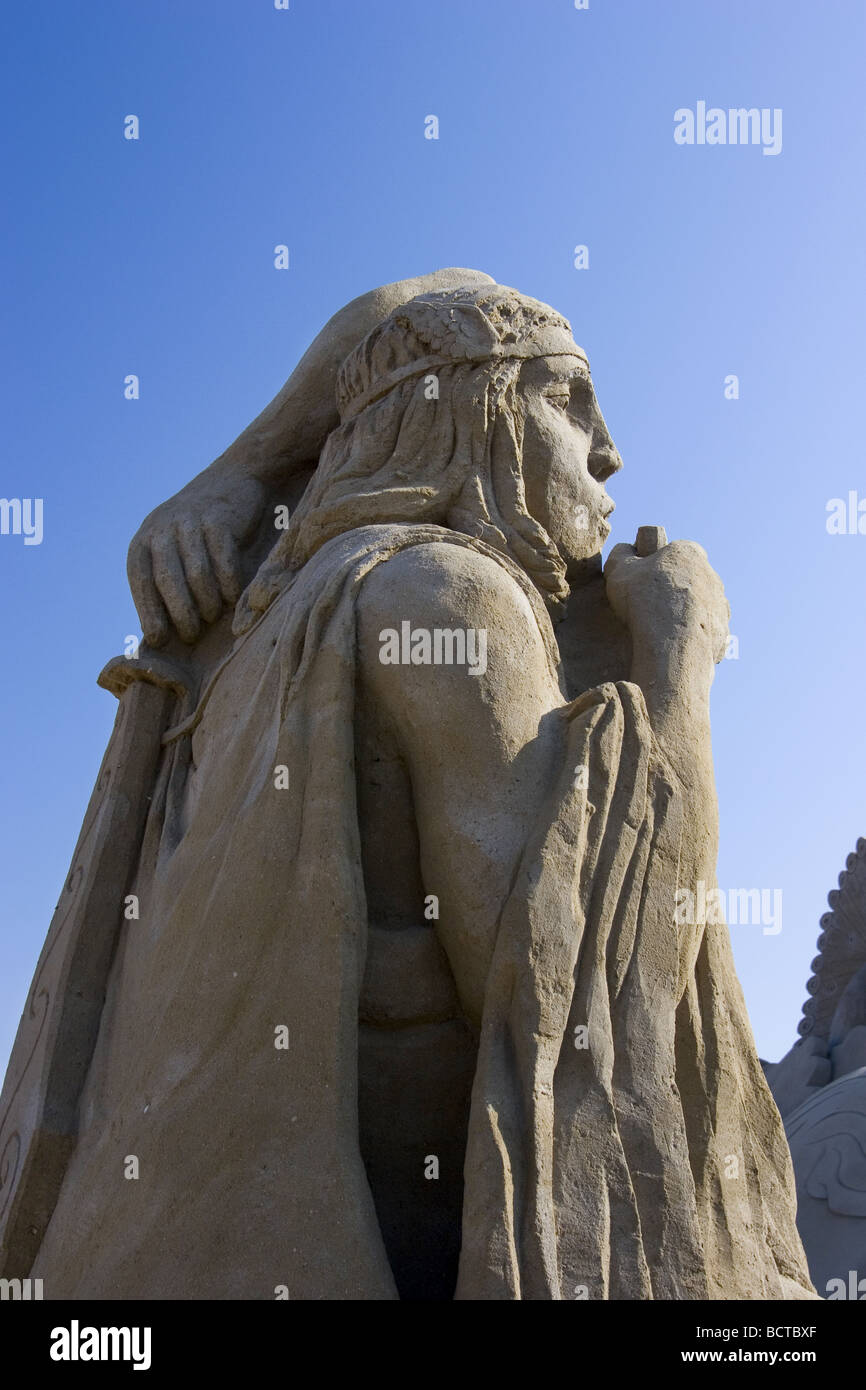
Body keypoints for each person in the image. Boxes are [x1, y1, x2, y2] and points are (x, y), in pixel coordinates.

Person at [20, 272, 815, 1299]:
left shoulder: (281, 631)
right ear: (466, 410)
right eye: (566, 397)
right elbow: (563, 988)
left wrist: (233, 472)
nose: (607, 445)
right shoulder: (443, 592)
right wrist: (679, 661)